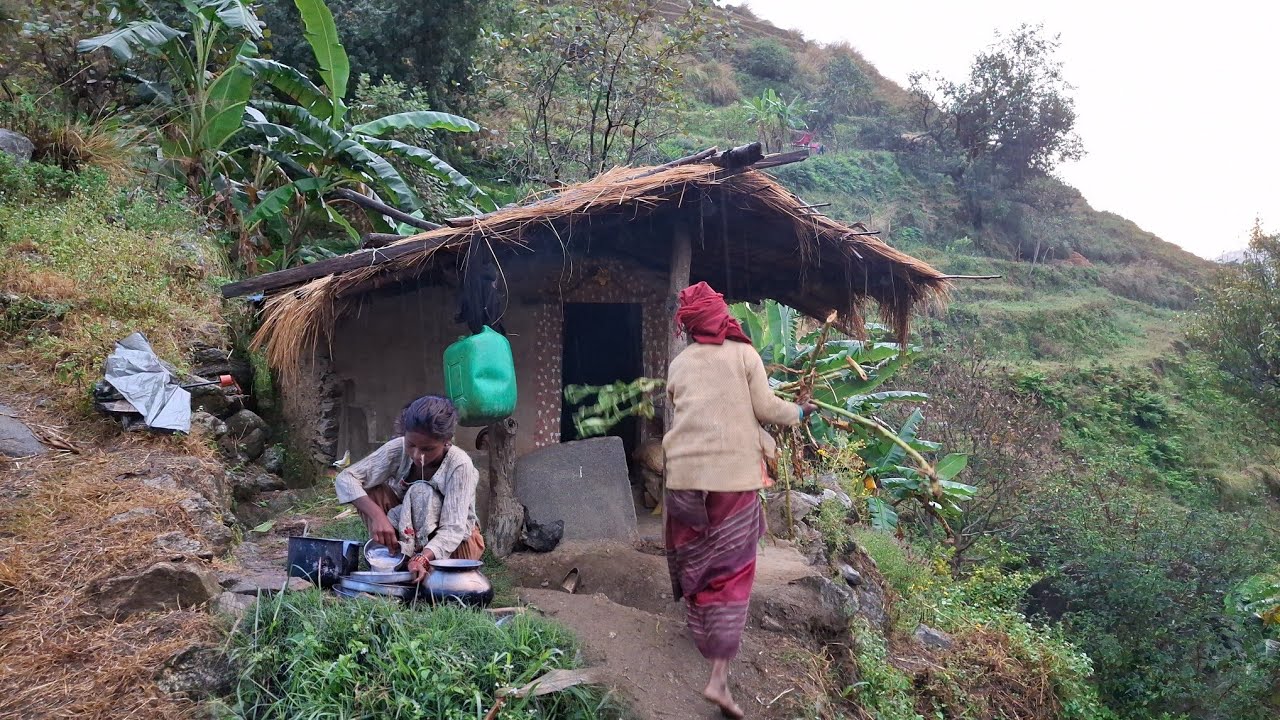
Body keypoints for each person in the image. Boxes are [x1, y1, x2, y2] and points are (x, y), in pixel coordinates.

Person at [663, 281, 817, 719]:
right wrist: (801, 412)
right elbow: (769, 410)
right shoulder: (745, 355)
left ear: (690, 327)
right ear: (722, 318)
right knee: (732, 569)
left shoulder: (679, 363)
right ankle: (717, 678)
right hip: (732, 480)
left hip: (683, 481)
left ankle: (701, 630)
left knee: (694, 553)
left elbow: (683, 407)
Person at [333, 395, 485, 583]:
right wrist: (378, 517)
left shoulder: (459, 465)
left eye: (428, 449)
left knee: (422, 491)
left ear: (446, 440)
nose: (416, 454)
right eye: (411, 445)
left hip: (457, 546)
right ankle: (394, 554)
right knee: (371, 490)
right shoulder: (397, 449)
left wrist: (423, 557)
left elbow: (453, 530)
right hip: (407, 533)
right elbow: (346, 478)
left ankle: (417, 565)